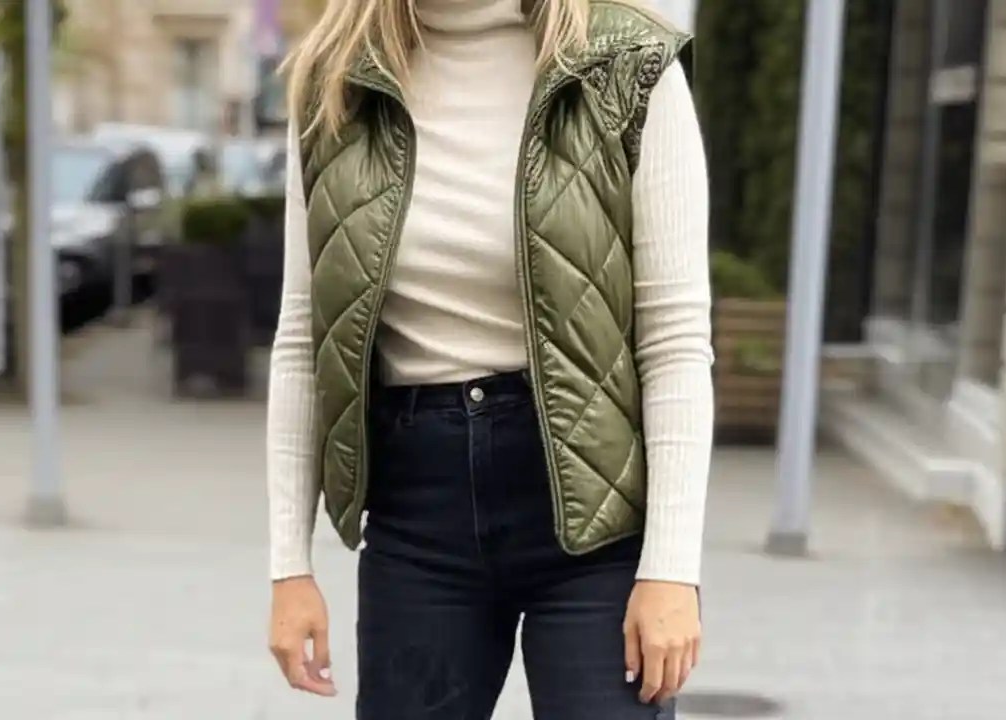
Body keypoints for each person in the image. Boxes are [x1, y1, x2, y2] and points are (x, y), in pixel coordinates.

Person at [266, 0, 714, 717]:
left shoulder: (628, 65)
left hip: (592, 511)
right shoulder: (338, 76)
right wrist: (289, 567)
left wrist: (671, 571)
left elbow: (675, 340)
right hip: (417, 511)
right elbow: (301, 333)